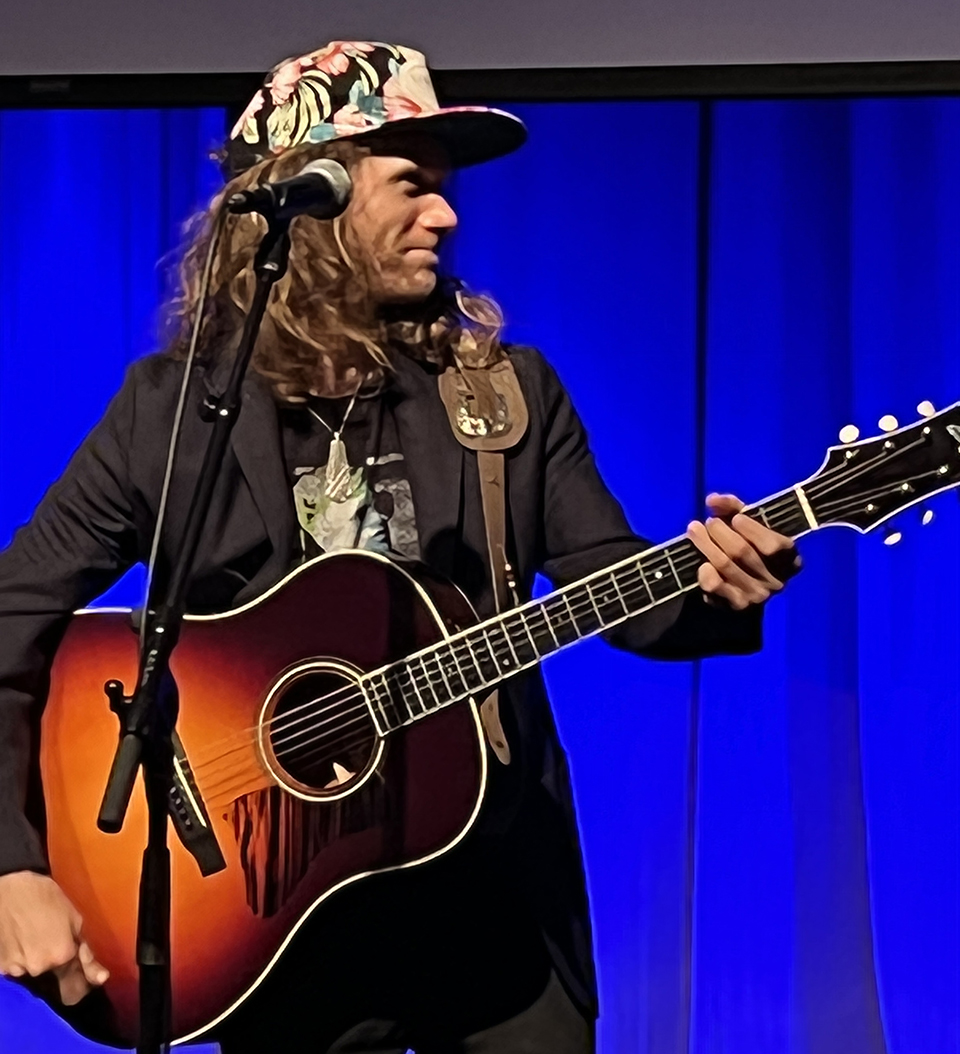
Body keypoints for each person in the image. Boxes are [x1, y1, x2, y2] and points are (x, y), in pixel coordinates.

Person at [0, 42, 800, 1053]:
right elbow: (12, 614)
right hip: (270, 905)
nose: (448, 215)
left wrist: (720, 587)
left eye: (446, 188)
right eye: (413, 185)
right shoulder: (174, 411)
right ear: (313, 201)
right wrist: (13, 866)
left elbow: (614, 581)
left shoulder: (505, 392)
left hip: (490, 892)